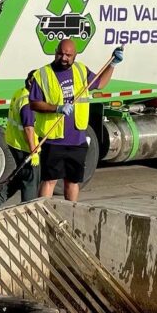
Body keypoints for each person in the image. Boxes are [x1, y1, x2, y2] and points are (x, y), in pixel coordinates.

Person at [29, 39, 122, 203]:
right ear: (56, 51)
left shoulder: (81, 70)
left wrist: (113, 64)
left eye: (68, 55)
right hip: (53, 139)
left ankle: (71, 212)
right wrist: (57, 108)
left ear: (75, 55)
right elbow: (34, 103)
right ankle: (41, 215)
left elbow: (100, 83)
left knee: (73, 180)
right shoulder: (43, 74)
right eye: (60, 53)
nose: (63, 58)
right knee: (49, 180)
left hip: (77, 139)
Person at [0, 73, 41, 210]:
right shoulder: (28, 102)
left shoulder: (19, 93)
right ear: (30, 83)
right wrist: (33, 151)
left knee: (22, 173)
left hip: (14, 142)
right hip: (25, 146)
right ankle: (29, 210)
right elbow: (28, 128)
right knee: (30, 180)